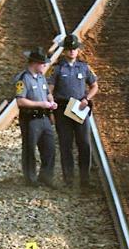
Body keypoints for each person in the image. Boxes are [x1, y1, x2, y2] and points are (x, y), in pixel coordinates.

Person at [49, 33, 98, 190]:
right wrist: (51, 107)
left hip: (79, 108)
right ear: (65, 50)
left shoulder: (84, 67)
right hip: (63, 109)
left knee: (84, 143)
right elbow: (50, 89)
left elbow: (94, 86)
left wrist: (87, 98)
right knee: (66, 144)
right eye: (69, 49)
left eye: (74, 49)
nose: (72, 51)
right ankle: (68, 179)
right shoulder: (57, 68)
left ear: (78, 50)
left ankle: (85, 179)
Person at [13, 48, 57, 188]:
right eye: (43, 64)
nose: (45, 66)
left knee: (49, 148)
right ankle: (30, 179)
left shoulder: (41, 77)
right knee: (30, 149)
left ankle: (46, 176)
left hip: (44, 117)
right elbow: (20, 101)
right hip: (30, 118)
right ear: (35, 63)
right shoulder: (23, 79)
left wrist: (51, 101)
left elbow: (47, 92)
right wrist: (40, 104)